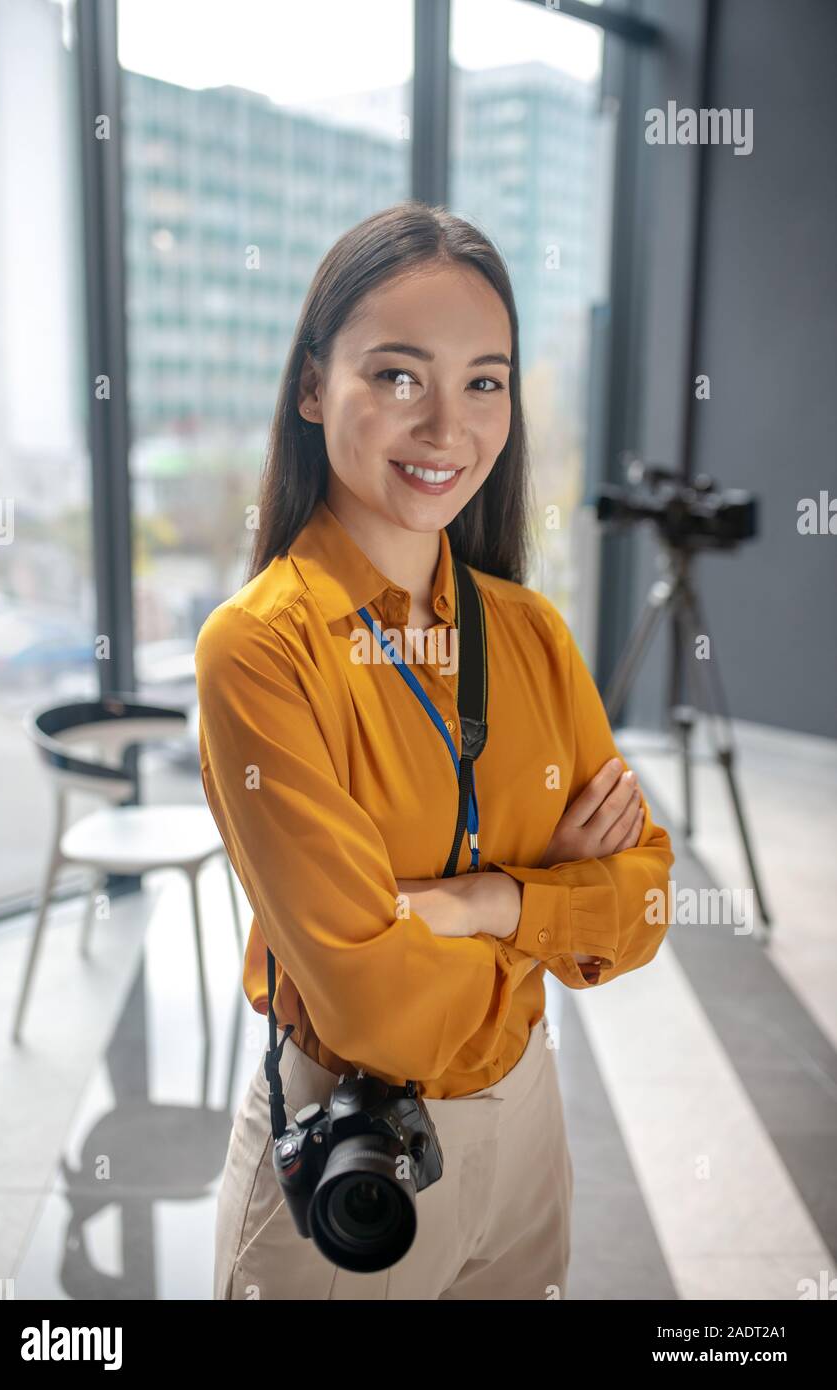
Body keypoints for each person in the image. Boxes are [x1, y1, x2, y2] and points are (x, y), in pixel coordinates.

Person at [195, 201, 675, 1300]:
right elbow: (375, 1006)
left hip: (526, 1127)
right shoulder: (260, 650)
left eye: (483, 381)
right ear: (314, 387)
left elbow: (646, 902)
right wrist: (554, 899)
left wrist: (474, 903)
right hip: (349, 1142)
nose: (446, 427)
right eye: (398, 375)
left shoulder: (531, 635)